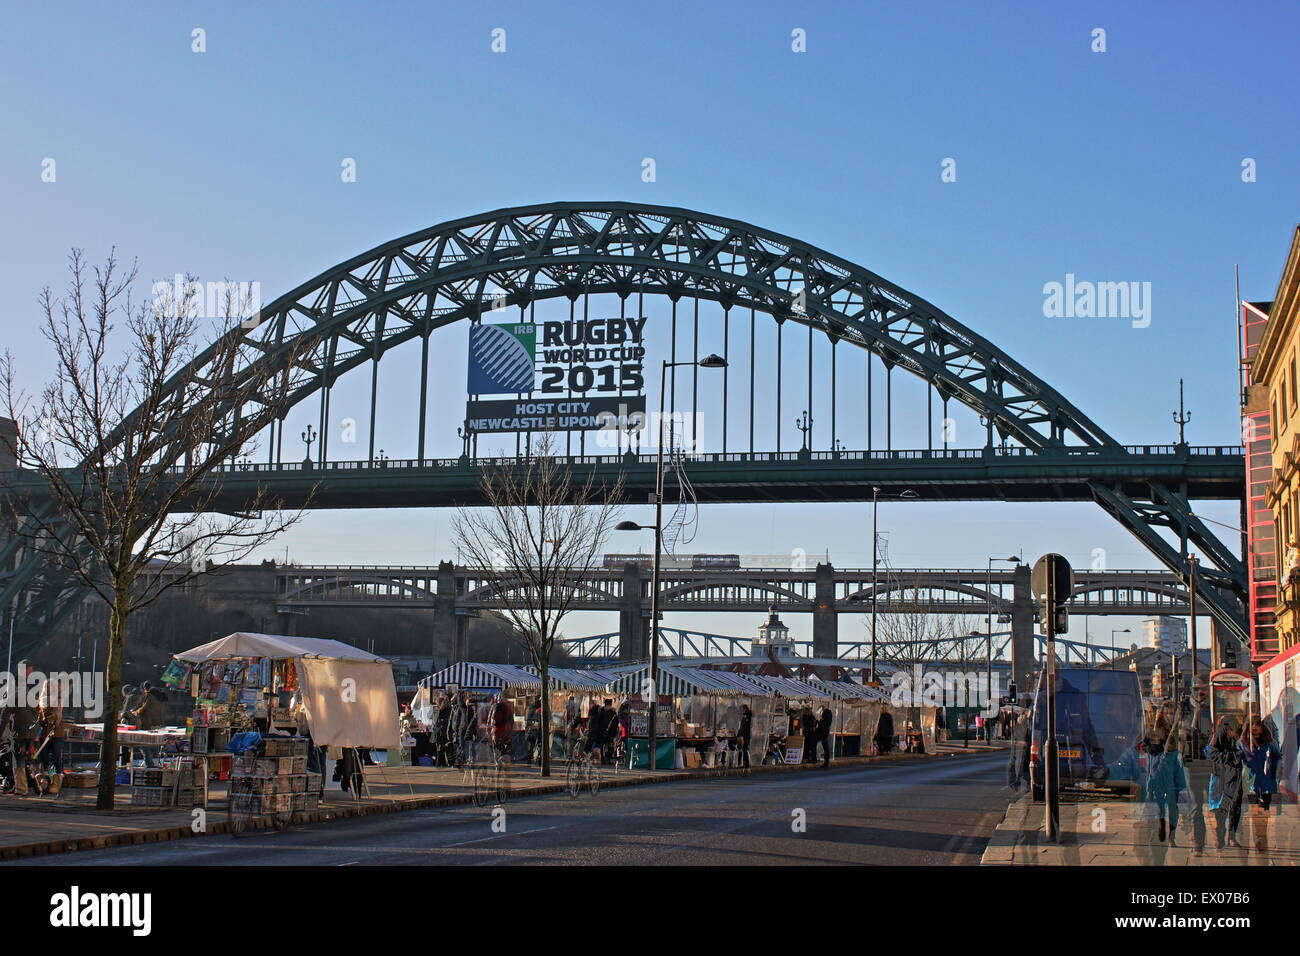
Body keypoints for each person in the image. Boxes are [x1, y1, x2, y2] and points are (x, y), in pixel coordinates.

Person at [1207, 719, 1244, 849]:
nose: (1233, 733)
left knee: (1235, 806)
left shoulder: (1240, 738)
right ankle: (1220, 836)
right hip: (1221, 776)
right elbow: (1212, 754)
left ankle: (1232, 837)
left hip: (1236, 777)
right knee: (1221, 808)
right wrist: (1234, 756)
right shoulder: (1219, 735)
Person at [1241, 717, 1282, 812]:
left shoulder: (1270, 744)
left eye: (1257, 725)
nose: (1254, 728)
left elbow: (1278, 759)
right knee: (1255, 812)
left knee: (1264, 812)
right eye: (1252, 726)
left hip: (1266, 784)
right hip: (1251, 784)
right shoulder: (1244, 744)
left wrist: (1276, 774)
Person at [488, 695, 515, 760]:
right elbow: (512, 720)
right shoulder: (508, 708)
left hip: (496, 730)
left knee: (495, 745)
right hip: (505, 730)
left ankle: (497, 760)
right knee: (504, 744)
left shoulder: (494, 706)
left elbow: (490, 719)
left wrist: (488, 729)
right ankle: (502, 757)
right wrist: (510, 729)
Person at [736, 704, 753, 769]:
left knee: (745, 749)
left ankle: (746, 764)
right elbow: (741, 727)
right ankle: (745, 764)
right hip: (744, 735)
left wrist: (742, 735)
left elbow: (745, 727)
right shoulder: (744, 716)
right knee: (744, 749)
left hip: (746, 735)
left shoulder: (748, 716)